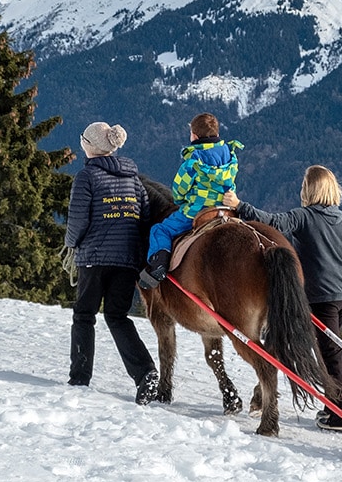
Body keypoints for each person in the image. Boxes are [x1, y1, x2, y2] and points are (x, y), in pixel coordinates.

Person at [222, 165, 342, 430]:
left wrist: (240, 205)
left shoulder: (305, 217)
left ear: (309, 190)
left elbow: (274, 223)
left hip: (322, 298)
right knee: (326, 350)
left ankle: (340, 415)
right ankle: (333, 407)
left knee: (330, 354)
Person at [64, 121, 160, 404]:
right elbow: (143, 219)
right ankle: (145, 373)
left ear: (90, 146)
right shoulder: (134, 179)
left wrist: (72, 244)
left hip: (94, 258)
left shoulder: (86, 177)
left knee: (84, 315)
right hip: (127, 260)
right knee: (117, 317)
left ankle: (80, 377)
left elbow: (78, 222)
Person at [139, 112, 243, 289]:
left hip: (197, 212)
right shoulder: (230, 155)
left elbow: (179, 190)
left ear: (194, 135)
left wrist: (182, 200)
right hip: (227, 209)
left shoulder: (193, 161)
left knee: (160, 229)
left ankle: (159, 265)